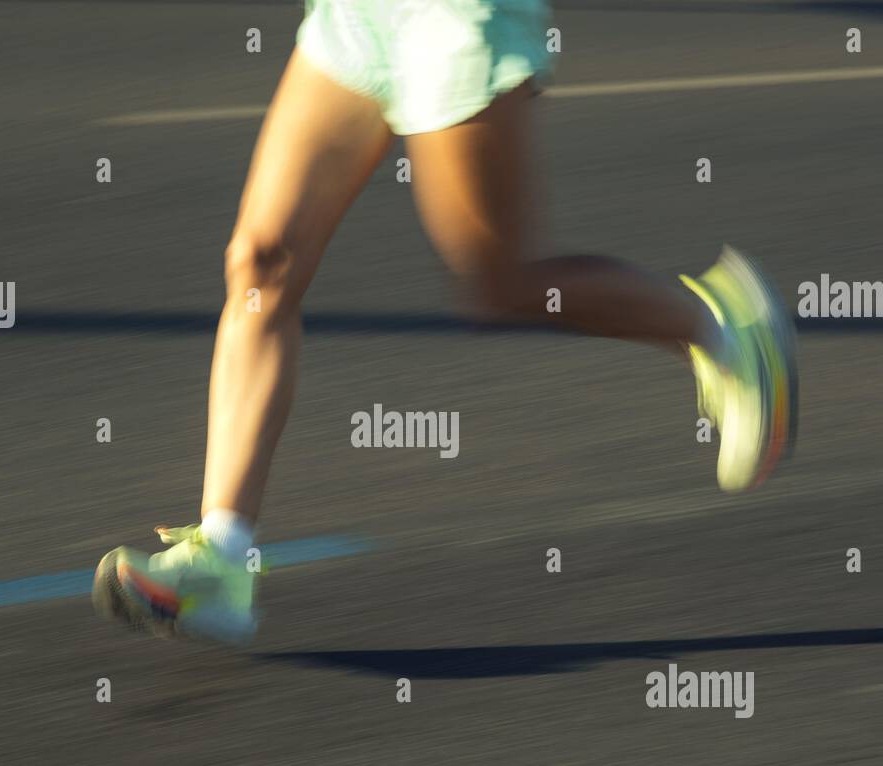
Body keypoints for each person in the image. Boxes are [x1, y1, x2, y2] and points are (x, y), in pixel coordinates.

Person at [91, 0, 798, 642]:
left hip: (454, 17)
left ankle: (721, 329)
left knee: (500, 284)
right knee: (261, 263)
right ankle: (223, 556)